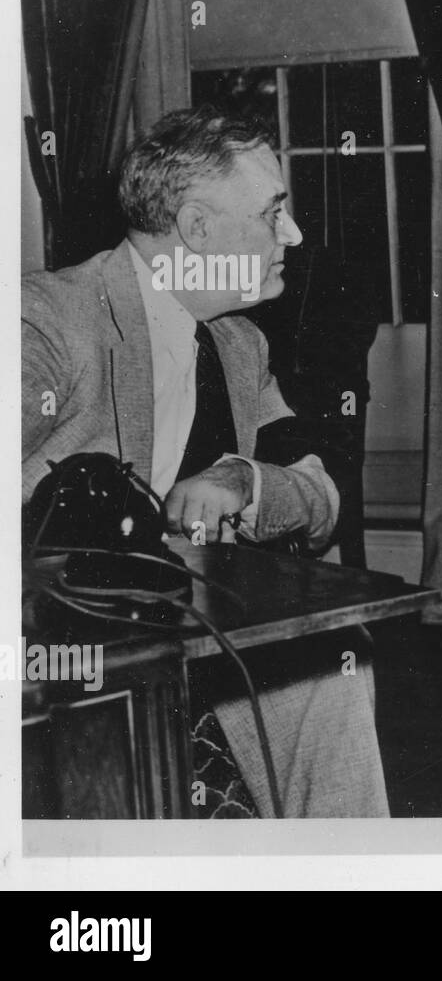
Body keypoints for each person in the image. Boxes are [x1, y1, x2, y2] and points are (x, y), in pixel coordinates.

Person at [21, 107, 389, 818]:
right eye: (273, 212)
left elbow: (317, 489)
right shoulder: (49, 321)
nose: (295, 234)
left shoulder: (239, 347)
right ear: (196, 230)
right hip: (52, 654)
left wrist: (241, 479)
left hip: (175, 639)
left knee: (334, 659)